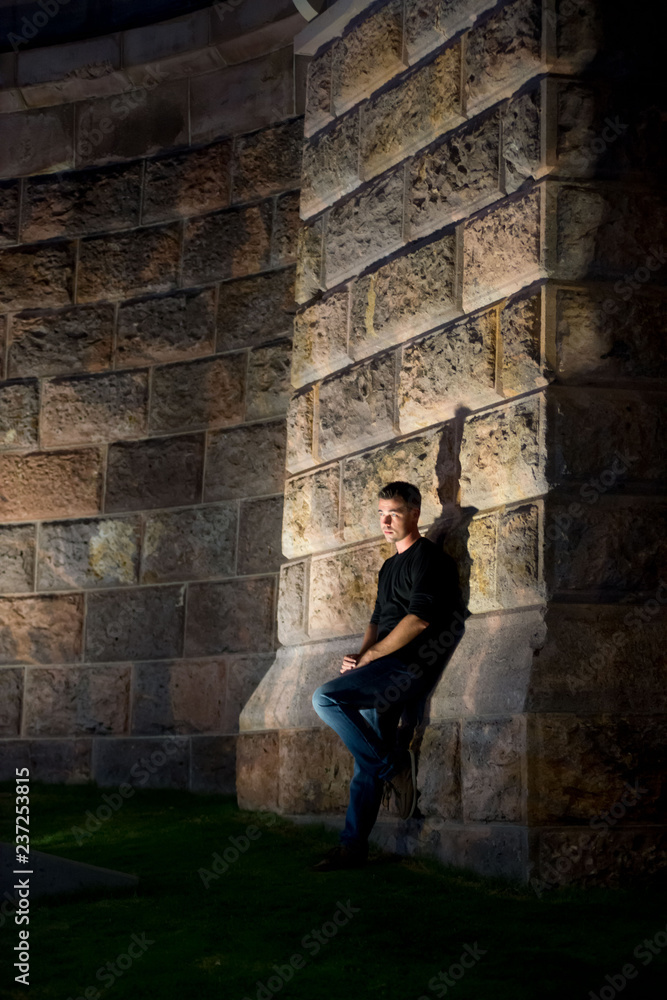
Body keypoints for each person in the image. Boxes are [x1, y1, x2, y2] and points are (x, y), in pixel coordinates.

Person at [310, 480, 467, 872]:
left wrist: (374, 656)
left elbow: (417, 621)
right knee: (366, 755)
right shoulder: (388, 566)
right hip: (380, 667)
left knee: (325, 698)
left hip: (408, 667)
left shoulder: (429, 559)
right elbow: (377, 621)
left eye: (393, 513)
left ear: (414, 512)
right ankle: (353, 847)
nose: (385, 520)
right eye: (381, 513)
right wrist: (360, 657)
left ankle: (393, 768)